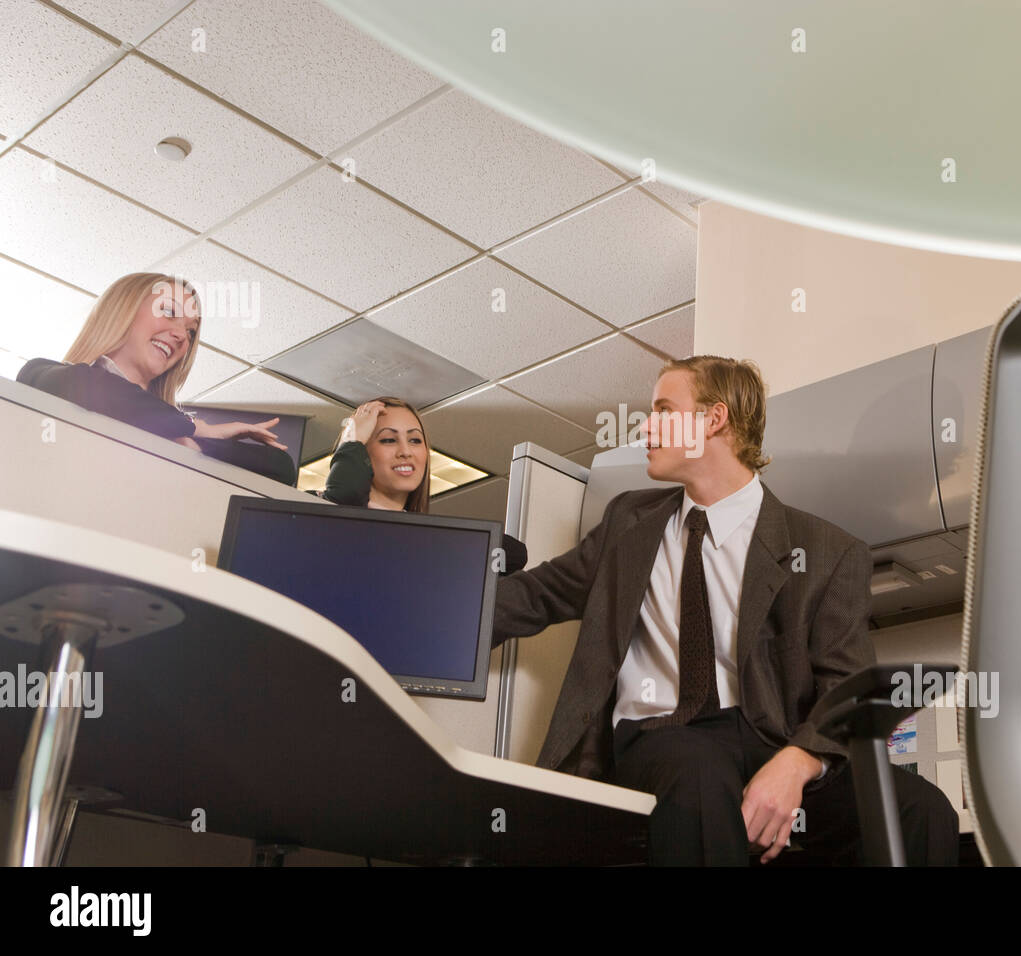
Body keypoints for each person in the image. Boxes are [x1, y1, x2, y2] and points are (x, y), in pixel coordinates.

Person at [492, 355, 959, 865]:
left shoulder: (825, 549)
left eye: (663, 409)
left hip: (773, 740)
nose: (645, 427)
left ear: (714, 419)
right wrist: (425, 604)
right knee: (696, 772)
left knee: (922, 809)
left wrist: (798, 762)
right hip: (662, 738)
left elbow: (845, 689)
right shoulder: (628, 523)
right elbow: (535, 596)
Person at [15, 272, 295, 485]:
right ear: (122, 310)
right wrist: (200, 430)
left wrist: (186, 440)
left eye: (191, 331)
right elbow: (95, 387)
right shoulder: (46, 374)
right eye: (169, 312)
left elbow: (280, 467)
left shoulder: (174, 425)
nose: (181, 336)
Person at [318, 397, 527, 574]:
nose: (405, 451)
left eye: (415, 440)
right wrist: (351, 442)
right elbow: (344, 499)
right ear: (360, 451)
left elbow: (514, 555)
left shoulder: (429, 544)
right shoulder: (313, 507)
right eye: (389, 440)